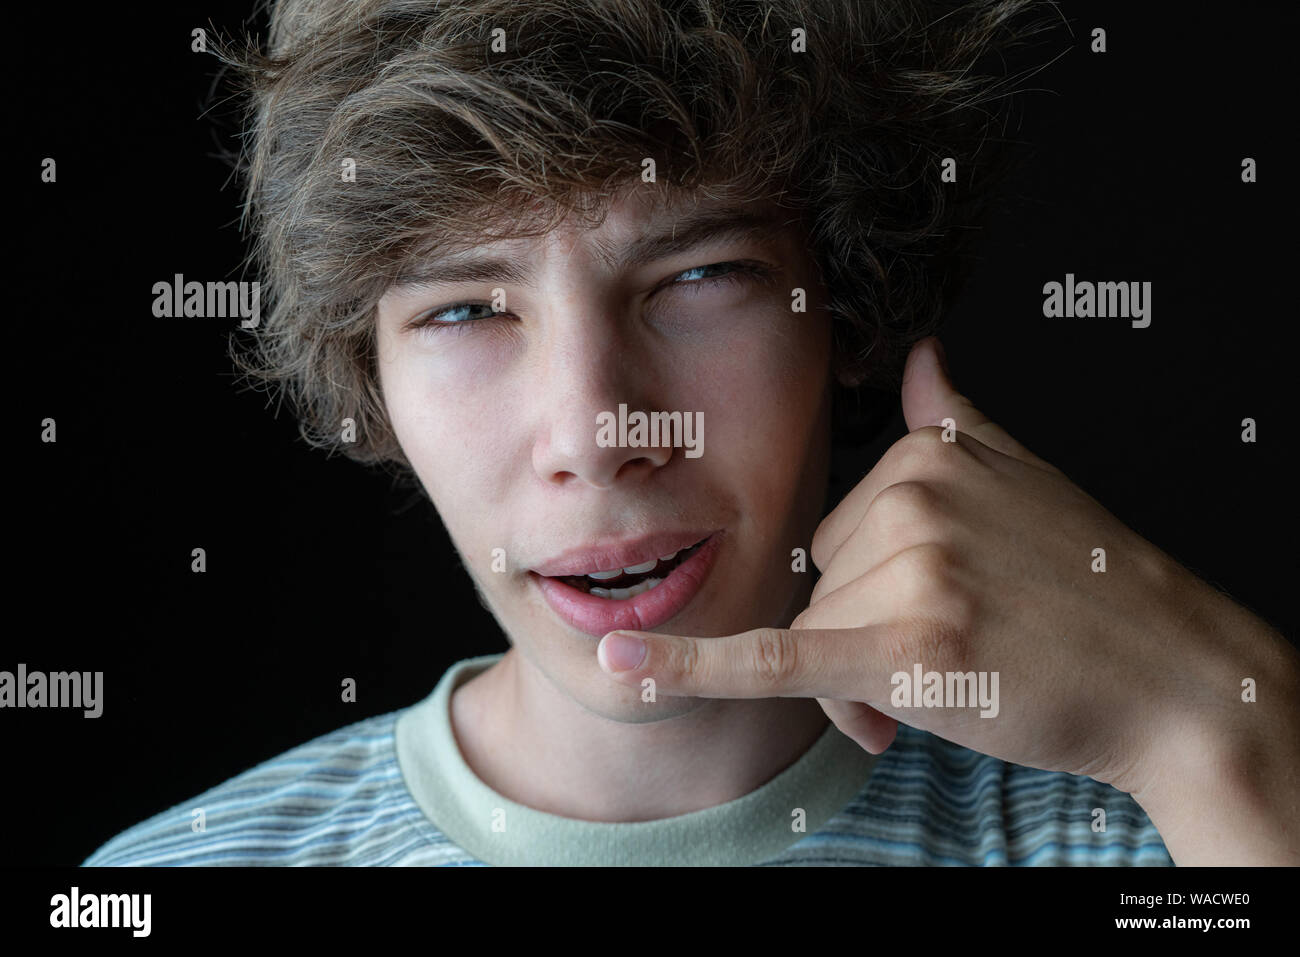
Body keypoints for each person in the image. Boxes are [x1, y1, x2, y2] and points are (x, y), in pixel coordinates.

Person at [82, 0, 1297, 867]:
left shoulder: (1173, 832)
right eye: (462, 308)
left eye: (700, 275)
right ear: (371, 376)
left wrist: (1220, 726)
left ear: (850, 309)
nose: (599, 431)